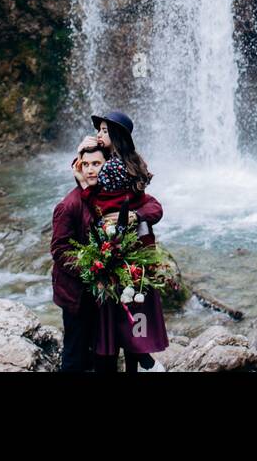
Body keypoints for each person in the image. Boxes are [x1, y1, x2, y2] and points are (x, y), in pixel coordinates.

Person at [85, 111, 169, 372]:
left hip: (120, 246)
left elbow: (96, 198)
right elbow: (144, 201)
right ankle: (141, 360)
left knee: (122, 305)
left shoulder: (111, 166)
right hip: (138, 247)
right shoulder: (132, 162)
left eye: (104, 131)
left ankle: (145, 360)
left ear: (117, 136)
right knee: (133, 303)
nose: (99, 135)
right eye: (98, 130)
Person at [49, 137, 106, 372]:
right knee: (75, 354)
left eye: (96, 164)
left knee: (96, 351)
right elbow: (59, 250)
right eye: (86, 165)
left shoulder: (103, 197)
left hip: (97, 292)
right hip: (75, 295)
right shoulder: (68, 205)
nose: (91, 169)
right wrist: (92, 269)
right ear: (79, 167)